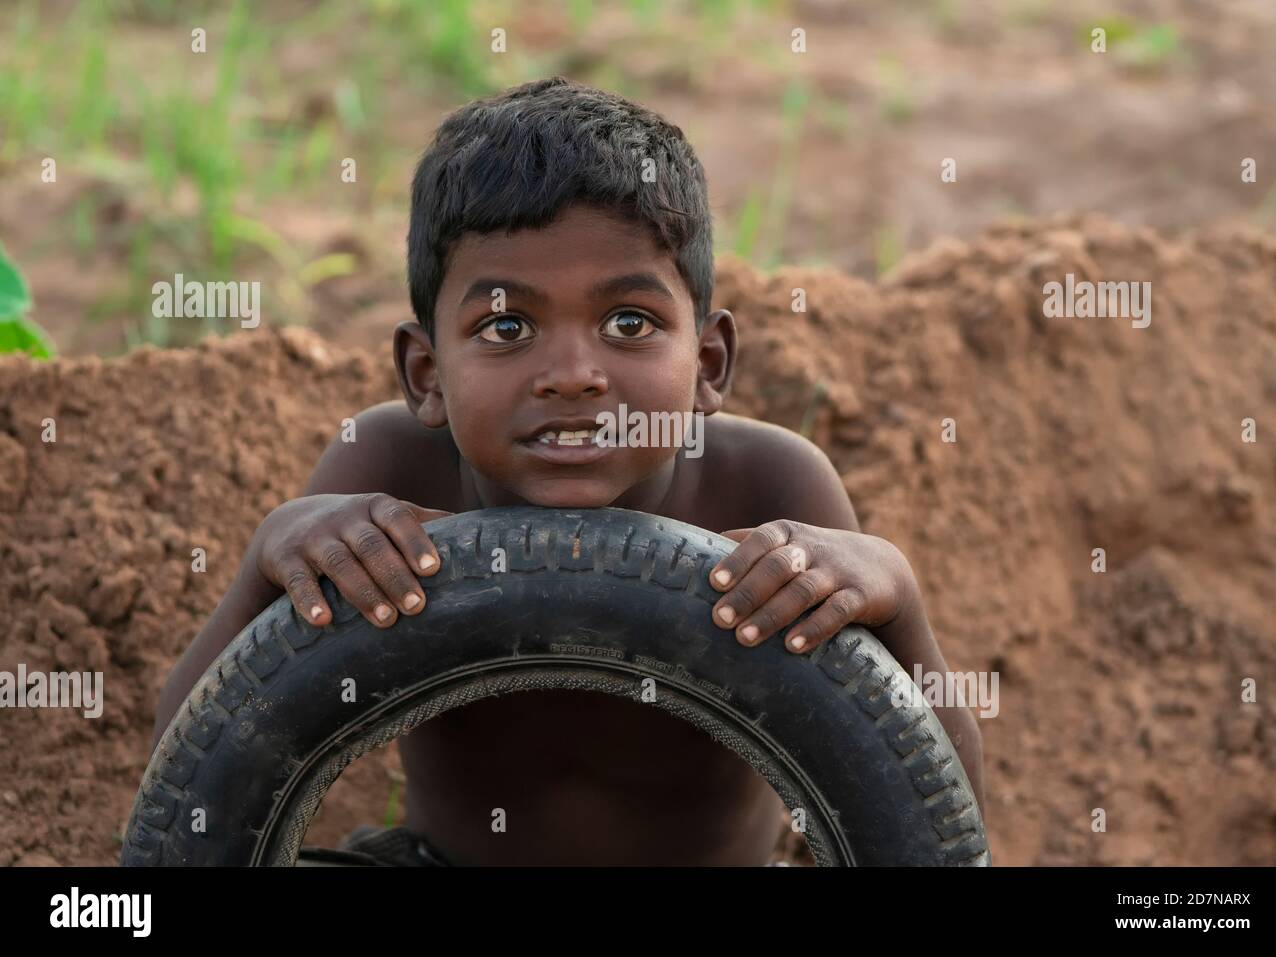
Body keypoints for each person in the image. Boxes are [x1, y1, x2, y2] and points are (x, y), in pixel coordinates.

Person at [152, 76, 984, 866]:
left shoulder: (768, 484)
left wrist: (898, 597)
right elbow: (193, 774)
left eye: (629, 320)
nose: (574, 372)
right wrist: (273, 558)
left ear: (709, 365)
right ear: (426, 374)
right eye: (508, 327)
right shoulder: (388, 468)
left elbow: (935, 810)